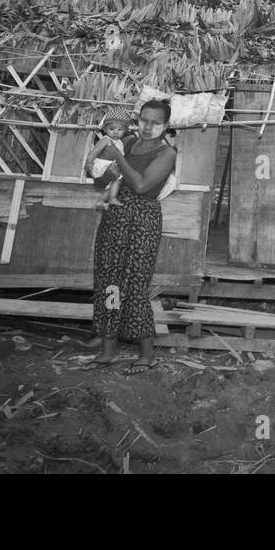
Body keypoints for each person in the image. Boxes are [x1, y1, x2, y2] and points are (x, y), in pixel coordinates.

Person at [84, 99, 177, 375]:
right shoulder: (127, 142)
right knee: (108, 281)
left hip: (143, 221)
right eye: (144, 120)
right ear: (137, 120)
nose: (148, 127)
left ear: (166, 126)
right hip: (116, 216)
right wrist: (104, 172)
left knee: (136, 284)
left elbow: (142, 185)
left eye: (155, 123)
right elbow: (103, 179)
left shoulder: (167, 153)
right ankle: (108, 349)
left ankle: (147, 355)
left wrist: (119, 158)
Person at [88, 109, 132, 210]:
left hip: (110, 167)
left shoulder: (119, 142)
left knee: (116, 182)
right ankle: (111, 198)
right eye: (111, 129)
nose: (115, 132)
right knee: (118, 179)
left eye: (119, 130)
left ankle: (101, 201)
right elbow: (94, 152)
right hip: (102, 166)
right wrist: (89, 163)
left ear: (125, 131)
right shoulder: (105, 140)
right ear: (105, 129)